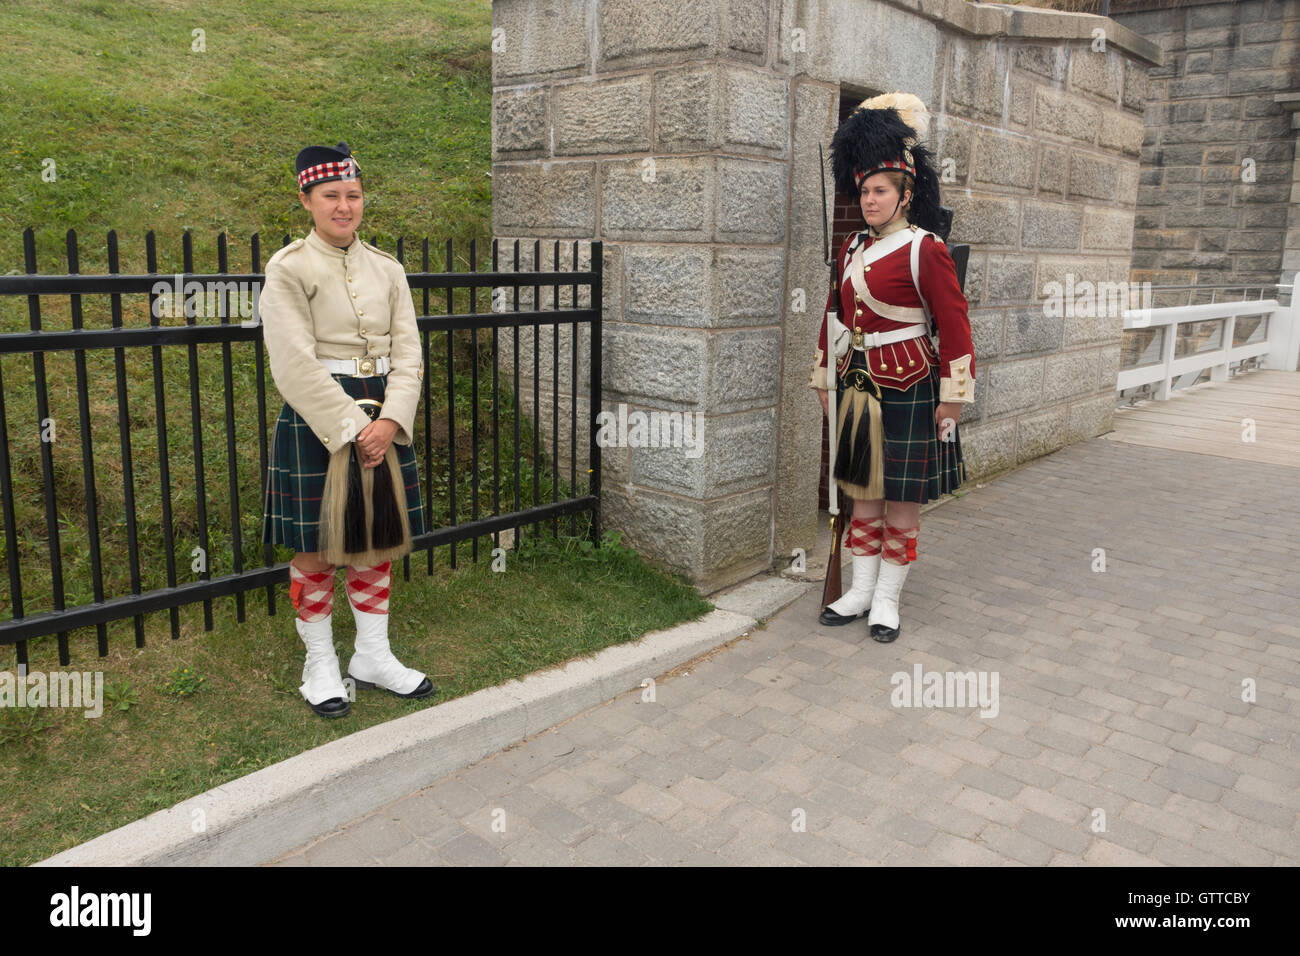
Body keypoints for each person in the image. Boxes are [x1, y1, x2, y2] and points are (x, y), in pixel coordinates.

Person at [260, 142, 434, 717]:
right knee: (315, 551)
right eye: (331, 195)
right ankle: (320, 667)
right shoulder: (289, 268)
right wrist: (351, 426)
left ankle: (373, 657)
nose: (344, 206)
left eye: (353, 195)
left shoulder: (388, 269)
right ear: (306, 199)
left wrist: (389, 419)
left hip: (383, 417)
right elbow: (291, 361)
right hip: (321, 422)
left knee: (374, 542)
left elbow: (409, 354)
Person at [810, 93, 976, 643]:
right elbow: (835, 309)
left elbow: (954, 325)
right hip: (858, 380)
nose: (870, 199)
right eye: (864, 191)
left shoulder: (925, 249)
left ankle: (886, 600)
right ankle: (858, 590)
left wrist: (951, 398)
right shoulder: (852, 247)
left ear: (905, 195)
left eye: (880, 191)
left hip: (909, 385)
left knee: (900, 501)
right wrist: (822, 373)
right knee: (863, 492)